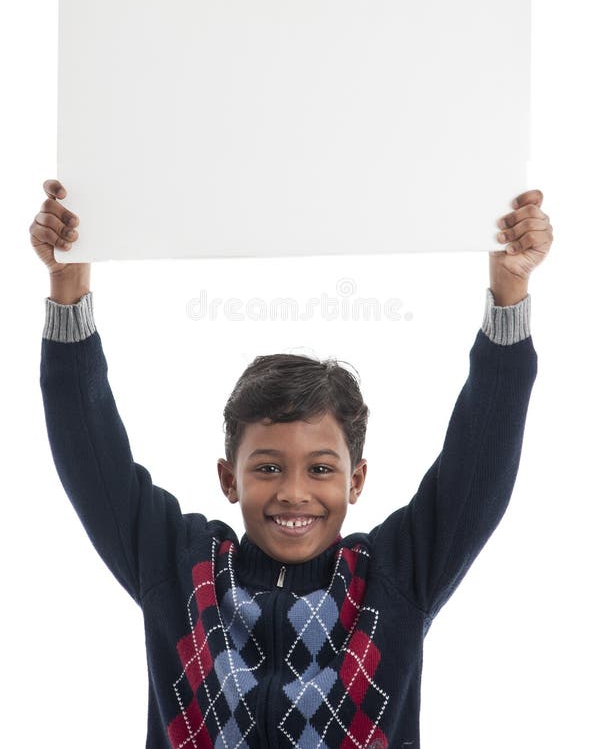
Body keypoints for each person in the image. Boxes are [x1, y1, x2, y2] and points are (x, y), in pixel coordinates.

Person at [31, 179, 553, 749]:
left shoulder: (394, 579)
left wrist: (509, 291)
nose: (294, 493)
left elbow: (477, 470)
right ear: (229, 478)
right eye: (268, 468)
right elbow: (90, 454)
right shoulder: (183, 571)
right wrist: (67, 284)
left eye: (322, 469)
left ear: (357, 479)